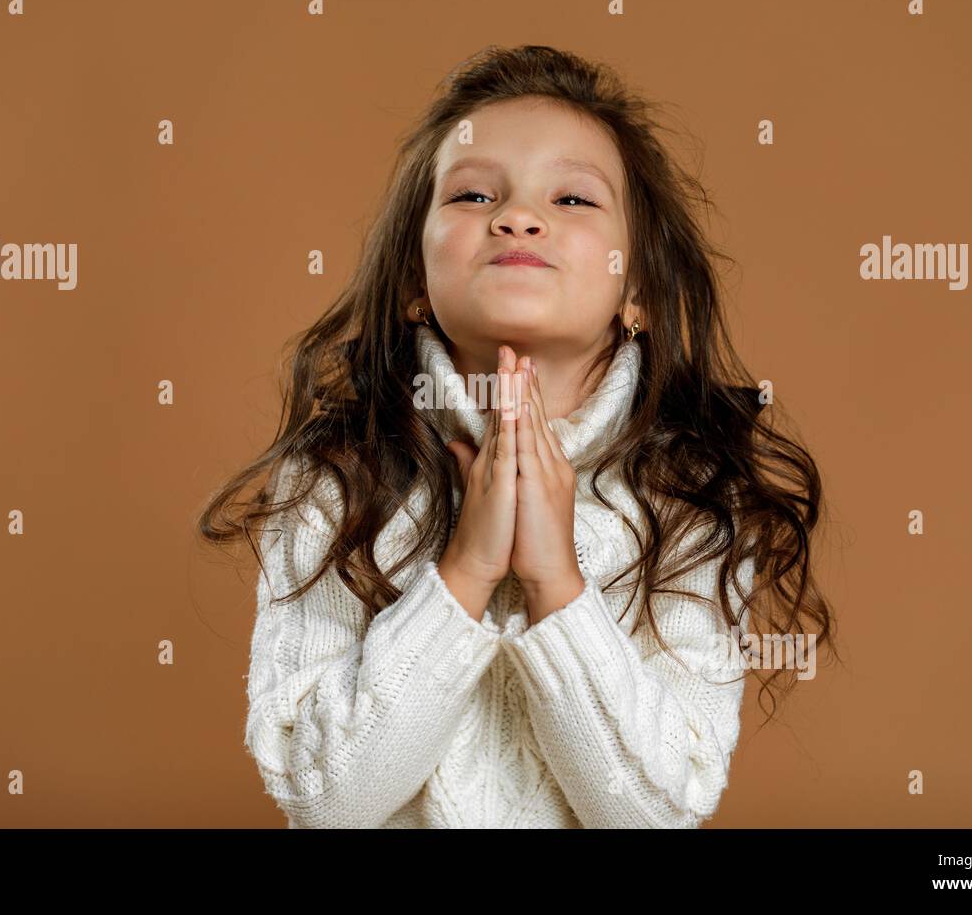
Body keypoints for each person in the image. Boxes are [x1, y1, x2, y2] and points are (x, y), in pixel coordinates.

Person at [198, 44, 835, 828]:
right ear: (412, 283)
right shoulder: (335, 477)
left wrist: (556, 586)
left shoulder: (691, 500)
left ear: (635, 287)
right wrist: (463, 574)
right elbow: (325, 798)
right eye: (472, 194)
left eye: (572, 200)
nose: (517, 216)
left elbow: (658, 813)